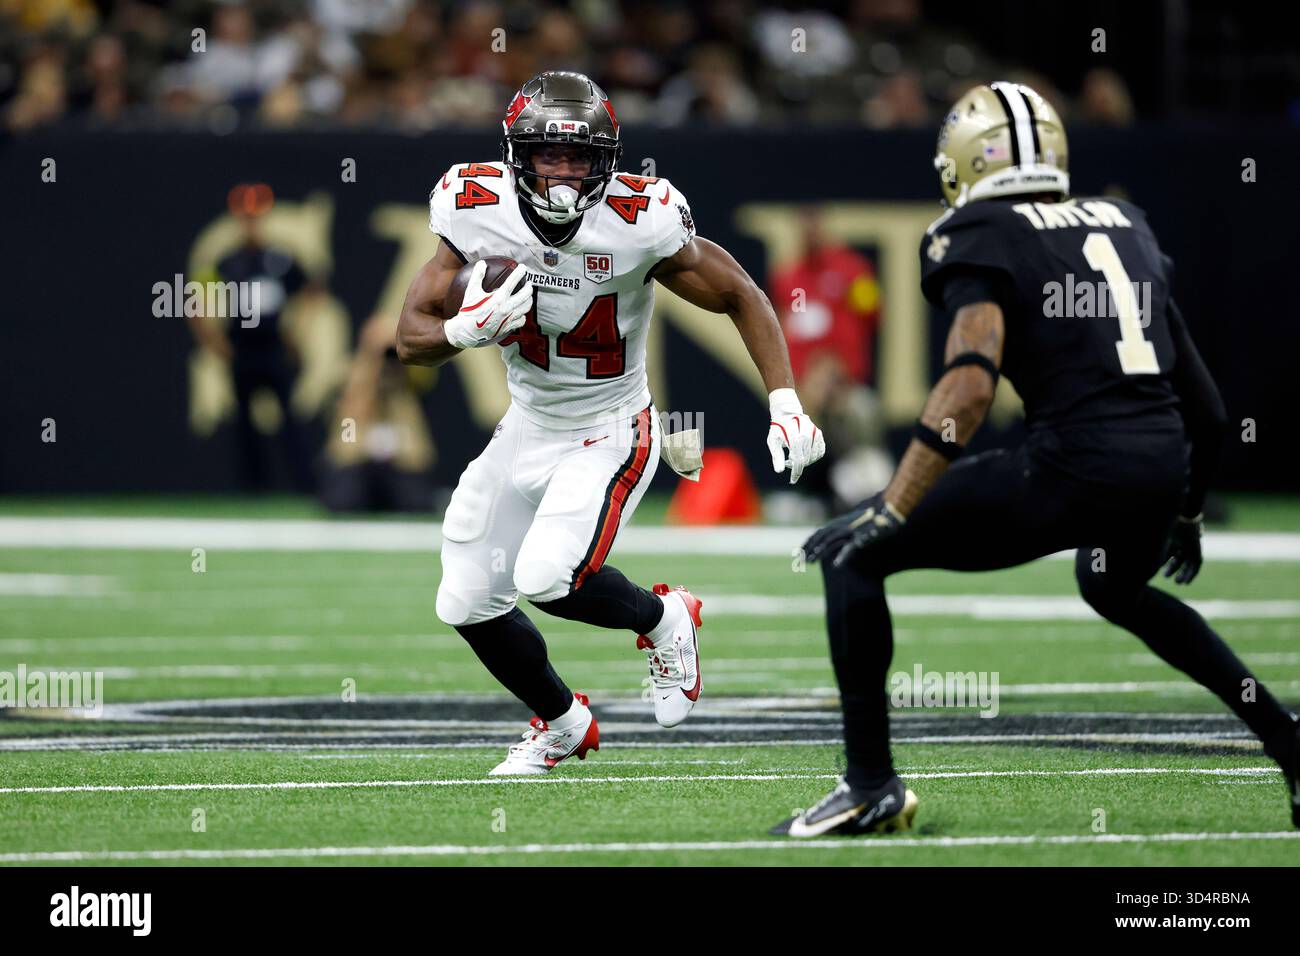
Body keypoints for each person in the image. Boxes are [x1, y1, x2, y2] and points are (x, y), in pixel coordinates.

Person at [775, 82, 1299, 837]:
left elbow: (969, 386)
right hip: (1159, 464)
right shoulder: (1126, 222)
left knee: (855, 556)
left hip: (1072, 468)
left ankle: (869, 787)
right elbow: (1208, 406)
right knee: (1113, 583)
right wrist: (1184, 507)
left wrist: (894, 504)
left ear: (965, 160)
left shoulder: (982, 230)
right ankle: (1289, 743)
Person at [396, 71, 825, 775]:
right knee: (466, 597)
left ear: (607, 161)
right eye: (548, 155)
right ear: (517, 156)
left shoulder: (640, 217)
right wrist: (463, 331)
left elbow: (740, 293)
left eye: (580, 158)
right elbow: (410, 337)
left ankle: (665, 621)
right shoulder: (473, 206)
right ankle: (563, 723)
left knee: (547, 576)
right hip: (529, 423)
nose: (564, 174)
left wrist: (785, 403)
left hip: (611, 426)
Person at [319, 316, 435, 513]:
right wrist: (364, 388)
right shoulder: (352, 390)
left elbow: (420, 457)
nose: (388, 363)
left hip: (394, 473)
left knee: (417, 500)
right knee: (344, 497)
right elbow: (343, 450)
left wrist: (398, 398)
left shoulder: (406, 394)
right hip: (359, 470)